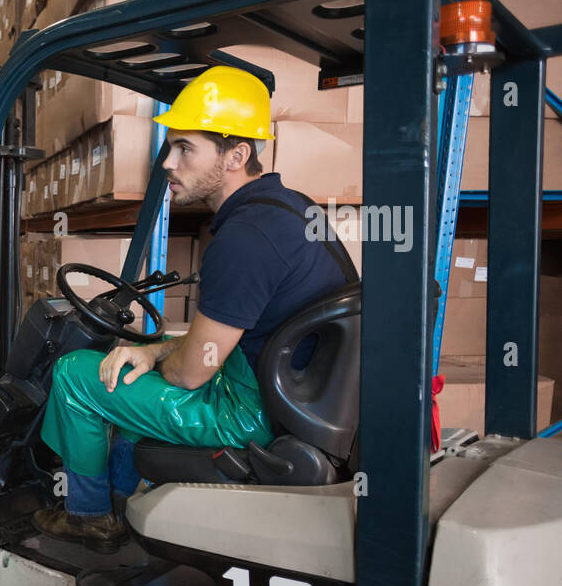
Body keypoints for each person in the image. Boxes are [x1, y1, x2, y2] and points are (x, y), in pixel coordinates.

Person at [35, 66, 358, 552]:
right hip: (292, 396)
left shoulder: (245, 239)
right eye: (171, 145)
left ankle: (88, 517)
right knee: (128, 372)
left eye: (186, 148)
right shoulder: (290, 209)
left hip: (252, 415)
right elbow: (230, 339)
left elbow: (189, 377)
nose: (168, 161)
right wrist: (155, 350)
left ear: (237, 154)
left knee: (77, 376)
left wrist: (159, 354)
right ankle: (124, 501)